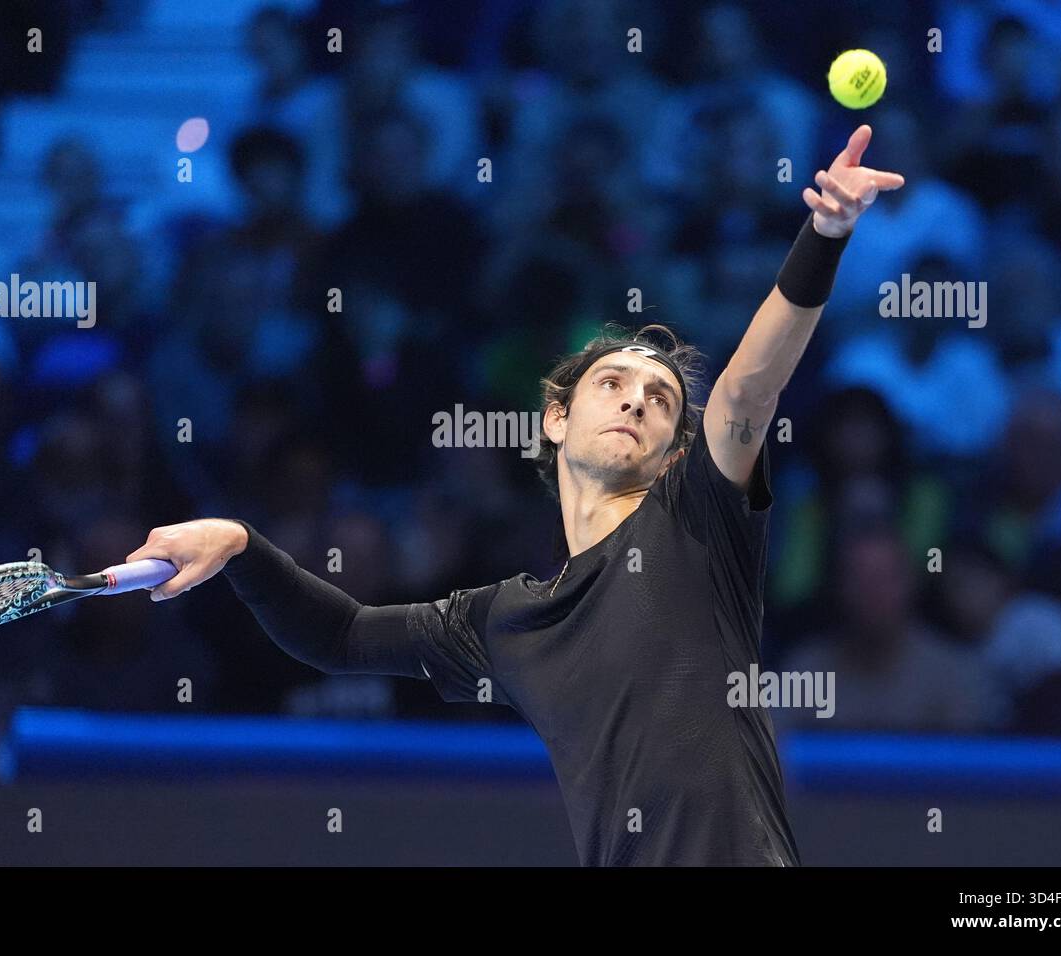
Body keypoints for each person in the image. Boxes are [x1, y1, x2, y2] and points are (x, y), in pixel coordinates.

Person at [125, 126, 904, 866]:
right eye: (612, 383)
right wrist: (239, 546)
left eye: (661, 400)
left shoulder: (700, 530)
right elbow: (342, 635)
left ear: (675, 454)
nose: (636, 401)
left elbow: (748, 390)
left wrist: (825, 233)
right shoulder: (503, 620)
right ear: (556, 420)